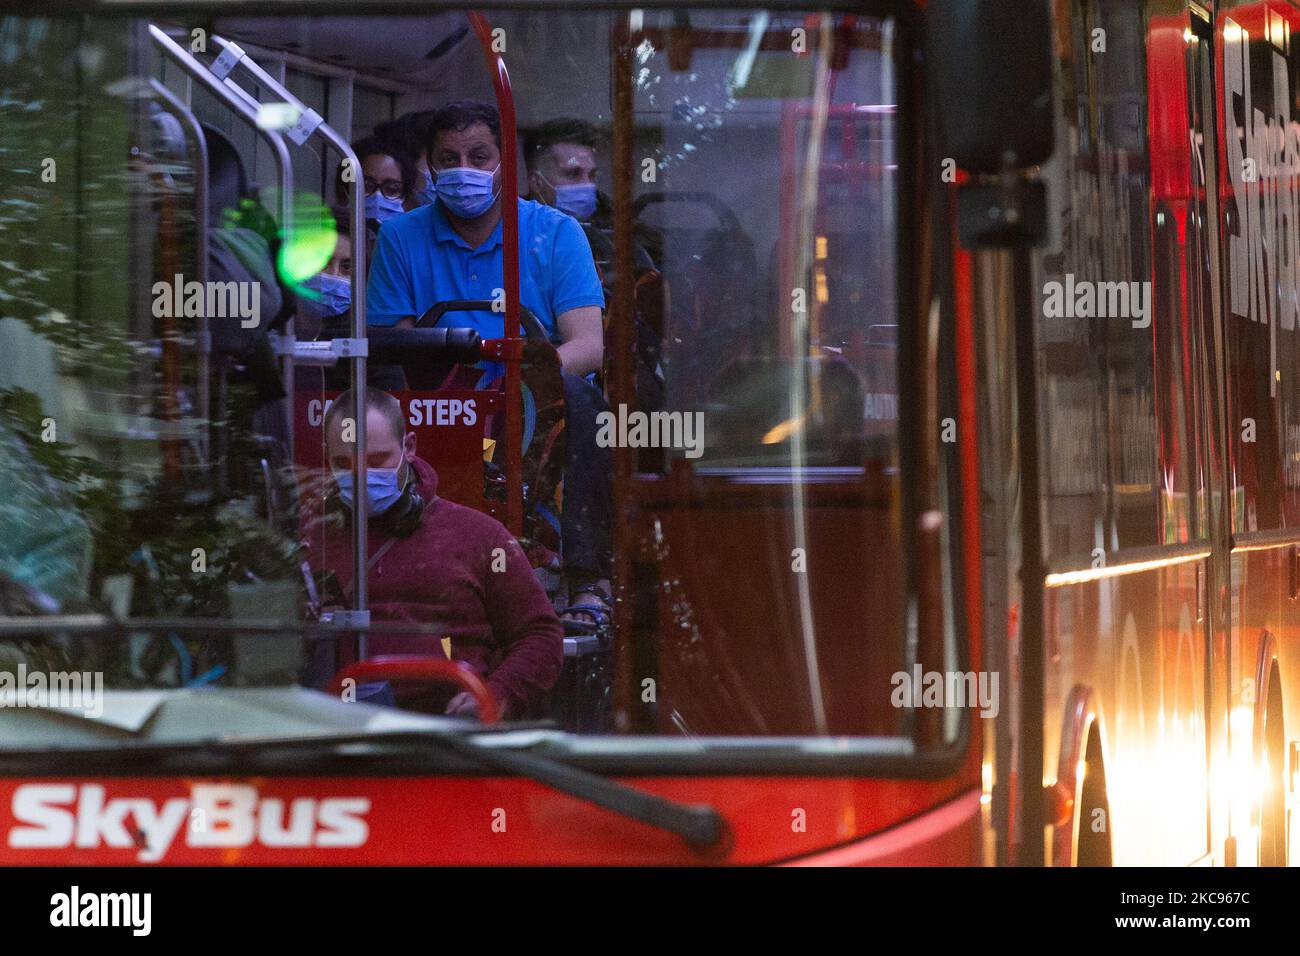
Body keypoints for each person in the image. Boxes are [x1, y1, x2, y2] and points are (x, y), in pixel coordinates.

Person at [310, 387, 563, 719]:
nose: (361, 478)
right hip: (329, 730)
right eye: (344, 464)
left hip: (446, 731)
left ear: (409, 447)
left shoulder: (479, 537)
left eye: (377, 460)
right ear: (327, 458)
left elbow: (541, 634)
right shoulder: (310, 540)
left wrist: (495, 695)